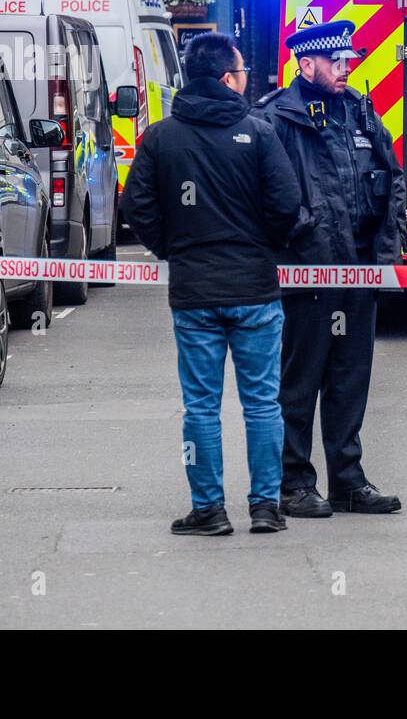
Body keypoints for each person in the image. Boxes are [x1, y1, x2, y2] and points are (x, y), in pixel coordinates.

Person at [121, 32, 300, 536]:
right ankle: (266, 506)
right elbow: (287, 206)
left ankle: (209, 509)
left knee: (200, 406)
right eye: (242, 73)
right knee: (262, 402)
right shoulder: (259, 134)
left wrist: (173, 248)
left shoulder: (160, 138)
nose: (245, 81)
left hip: (194, 292)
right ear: (227, 78)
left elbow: (138, 208)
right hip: (255, 291)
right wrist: (263, 247)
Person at [252, 20, 406, 517]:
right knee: (299, 382)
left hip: (359, 271)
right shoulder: (277, 118)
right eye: (335, 62)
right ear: (306, 65)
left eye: (348, 61)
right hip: (308, 273)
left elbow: (392, 177)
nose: (345, 69)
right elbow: (265, 197)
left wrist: (386, 254)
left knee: (350, 377)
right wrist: (301, 232)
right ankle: (293, 484)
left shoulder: (360, 112)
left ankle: (347, 480)